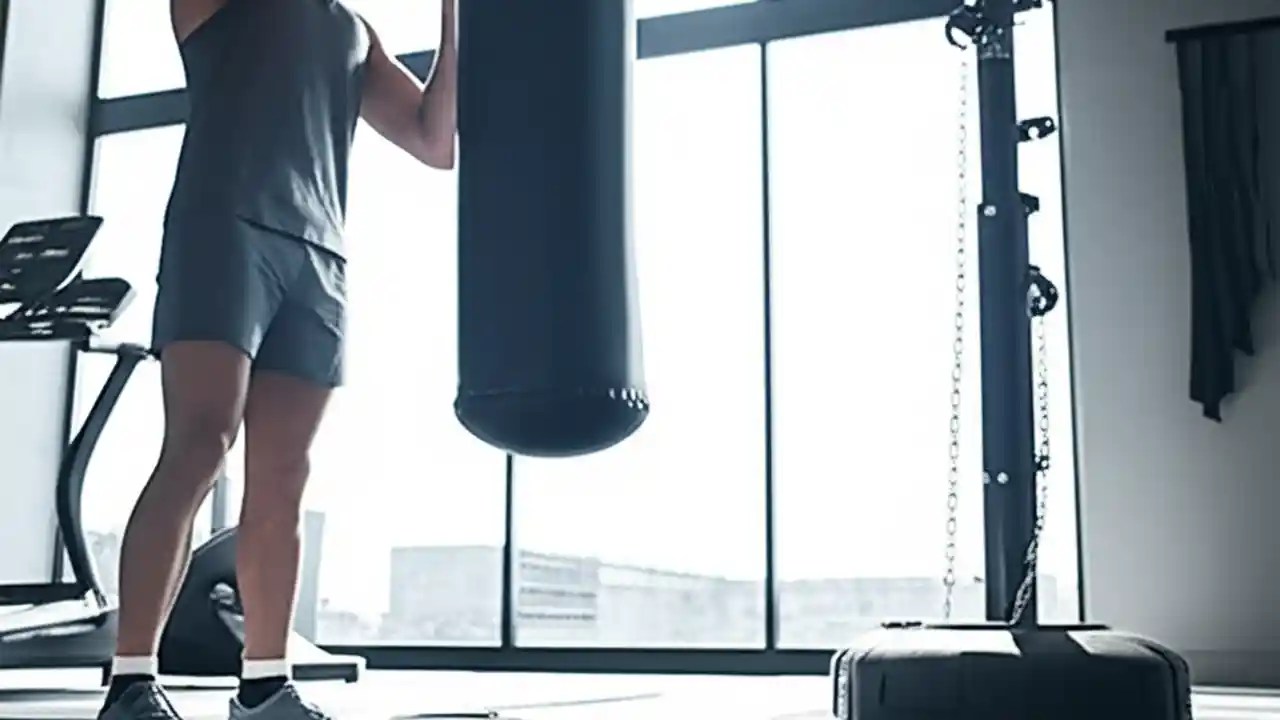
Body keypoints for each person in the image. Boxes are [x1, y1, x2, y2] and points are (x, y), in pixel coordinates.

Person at [97, 1, 457, 718]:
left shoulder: (354, 31)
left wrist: (456, 20)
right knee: (200, 444)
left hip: (319, 256)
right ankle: (131, 683)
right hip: (223, 225)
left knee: (285, 478)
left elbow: (435, 141)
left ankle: (263, 688)